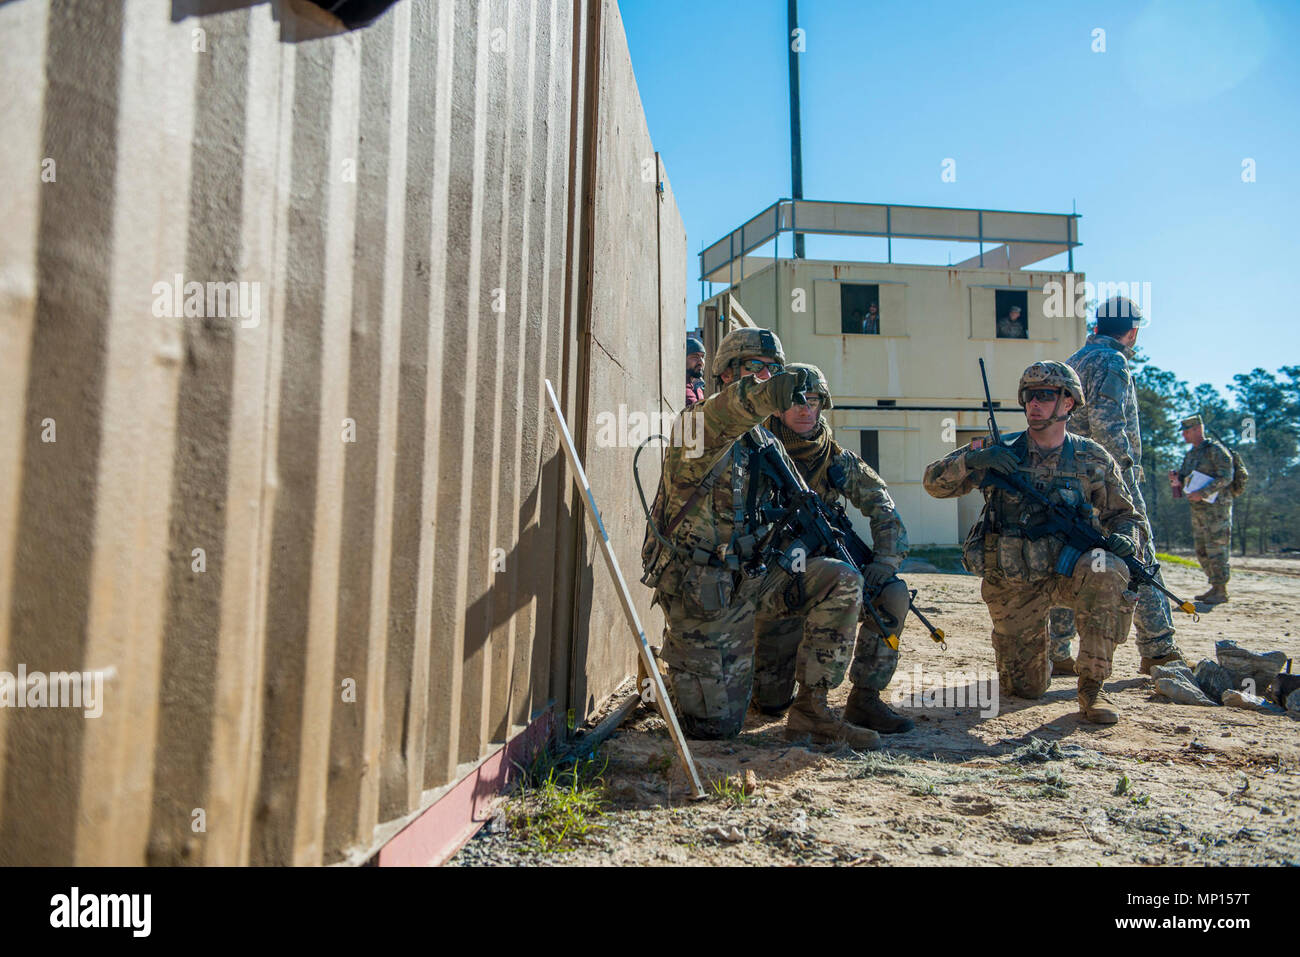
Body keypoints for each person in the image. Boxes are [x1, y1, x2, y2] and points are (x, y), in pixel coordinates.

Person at [640, 328, 878, 748]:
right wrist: (769, 391)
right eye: (755, 368)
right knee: (712, 730)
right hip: (706, 593)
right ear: (727, 375)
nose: (765, 377)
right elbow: (731, 410)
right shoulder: (698, 427)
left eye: (774, 370)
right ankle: (662, 676)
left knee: (841, 580)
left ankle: (811, 712)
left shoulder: (765, 441)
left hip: (755, 579)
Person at [922, 361, 1141, 724]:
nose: (1033, 404)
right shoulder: (996, 448)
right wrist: (974, 459)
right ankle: (1040, 659)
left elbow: (1125, 515)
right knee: (1024, 689)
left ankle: (1092, 687)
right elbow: (933, 483)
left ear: (1068, 403)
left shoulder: (1092, 457)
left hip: (1071, 572)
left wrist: (1125, 539)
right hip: (1014, 579)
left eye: (1044, 395)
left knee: (1107, 568)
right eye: (1028, 396)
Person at [753, 363, 915, 733]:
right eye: (796, 401)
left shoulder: (835, 459)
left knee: (891, 594)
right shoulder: (756, 454)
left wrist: (886, 560)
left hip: (829, 578)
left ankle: (864, 699)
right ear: (777, 407)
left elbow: (882, 506)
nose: (805, 409)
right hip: (773, 584)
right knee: (770, 703)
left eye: (812, 401)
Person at [1047, 297, 1184, 676]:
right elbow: (1110, 429)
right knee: (1140, 561)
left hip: (1066, 482)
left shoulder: (1073, 361)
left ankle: (1056, 651)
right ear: (1132, 332)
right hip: (1106, 482)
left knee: (1066, 561)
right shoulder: (1113, 362)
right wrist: (1122, 483)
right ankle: (1158, 649)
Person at [1172, 414, 1234, 604]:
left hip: (1216, 510)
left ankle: (1221, 589)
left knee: (1217, 548)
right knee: (1202, 550)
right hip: (1198, 510)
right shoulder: (1191, 454)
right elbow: (1184, 478)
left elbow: (1226, 476)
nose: (1184, 435)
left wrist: (1204, 492)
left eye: (1187, 431)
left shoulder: (1215, 451)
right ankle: (1214, 586)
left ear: (1198, 429)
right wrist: (1177, 480)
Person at [685, 336, 707, 407]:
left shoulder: (698, 386)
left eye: (703, 357)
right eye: (695, 357)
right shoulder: (676, 386)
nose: (701, 362)